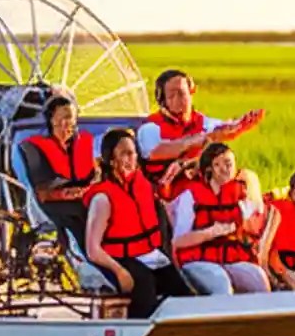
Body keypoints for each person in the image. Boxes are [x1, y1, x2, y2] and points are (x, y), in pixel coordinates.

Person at [84, 129, 194, 318]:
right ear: (111, 160)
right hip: (121, 257)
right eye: (124, 154)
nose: (130, 158)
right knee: (146, 291)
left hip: (150, 253)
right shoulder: (102, 198)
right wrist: (119, 272)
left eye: (132, 152)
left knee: (184, 296)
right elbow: (93, 250)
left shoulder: (142, 185)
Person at [136, 69, 265, 200]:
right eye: (171, 96)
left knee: (248, 179)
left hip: (202, 182)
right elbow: (155, 152)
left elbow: (222, 129)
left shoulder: (201, 122)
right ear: (162, 100)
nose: (178, 100)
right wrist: (193, 141)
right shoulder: (151, 127)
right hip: (170, 193)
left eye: (182, 94)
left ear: (191, 93)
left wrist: (239, 125)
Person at [171, 143, 271, 295]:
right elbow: (177, 242)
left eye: (228, 163)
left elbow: (259, 208)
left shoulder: (241, 193)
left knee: (258, 280)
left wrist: (251, 180)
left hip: (231, 258)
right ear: (208, 169)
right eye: (217, 164)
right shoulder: (190, 196)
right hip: (199, 260)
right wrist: (210, 233)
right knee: (221, 284)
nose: (225, 169)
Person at [20, 95, 98, 246]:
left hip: (85, 198)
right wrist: (66, 194)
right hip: (56, 204)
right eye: (63, 117)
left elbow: (95, 174)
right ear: (52, 120)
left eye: (71, 118)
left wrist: (91, 187)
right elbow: (41, 194)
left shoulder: (84, 142)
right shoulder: (35, 148)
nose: (67, 123)